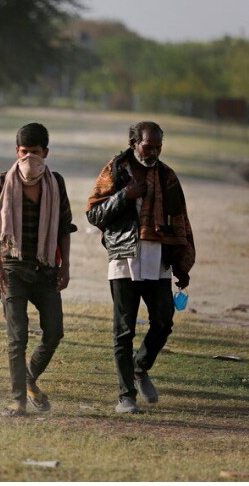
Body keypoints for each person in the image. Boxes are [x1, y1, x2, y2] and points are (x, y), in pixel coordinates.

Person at [87, 121, 195, 414]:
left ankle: (140, 366)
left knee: (163, 320)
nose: (153, 152)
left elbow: (181, 220)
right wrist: (125, 195)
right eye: (148, 146)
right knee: (124, 331)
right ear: (134, 142)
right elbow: (94, 213)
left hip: (157, 259)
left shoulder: (167, 176)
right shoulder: (116, 170)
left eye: (158, 147)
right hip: (123, 258)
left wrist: (182, 262)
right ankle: (126, 396)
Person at [0, 123, 76, 417]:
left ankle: (27, 378)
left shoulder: (56, 183)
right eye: (24, 152)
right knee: (17, 336)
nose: (29, 159)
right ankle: (17, 400)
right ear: (17, 152)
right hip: (12, 267)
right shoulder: (2, 182)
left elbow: (64, 227)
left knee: (54, 331)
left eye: (35, 153)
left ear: (45, 153)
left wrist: (65, 266)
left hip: (46, 268)